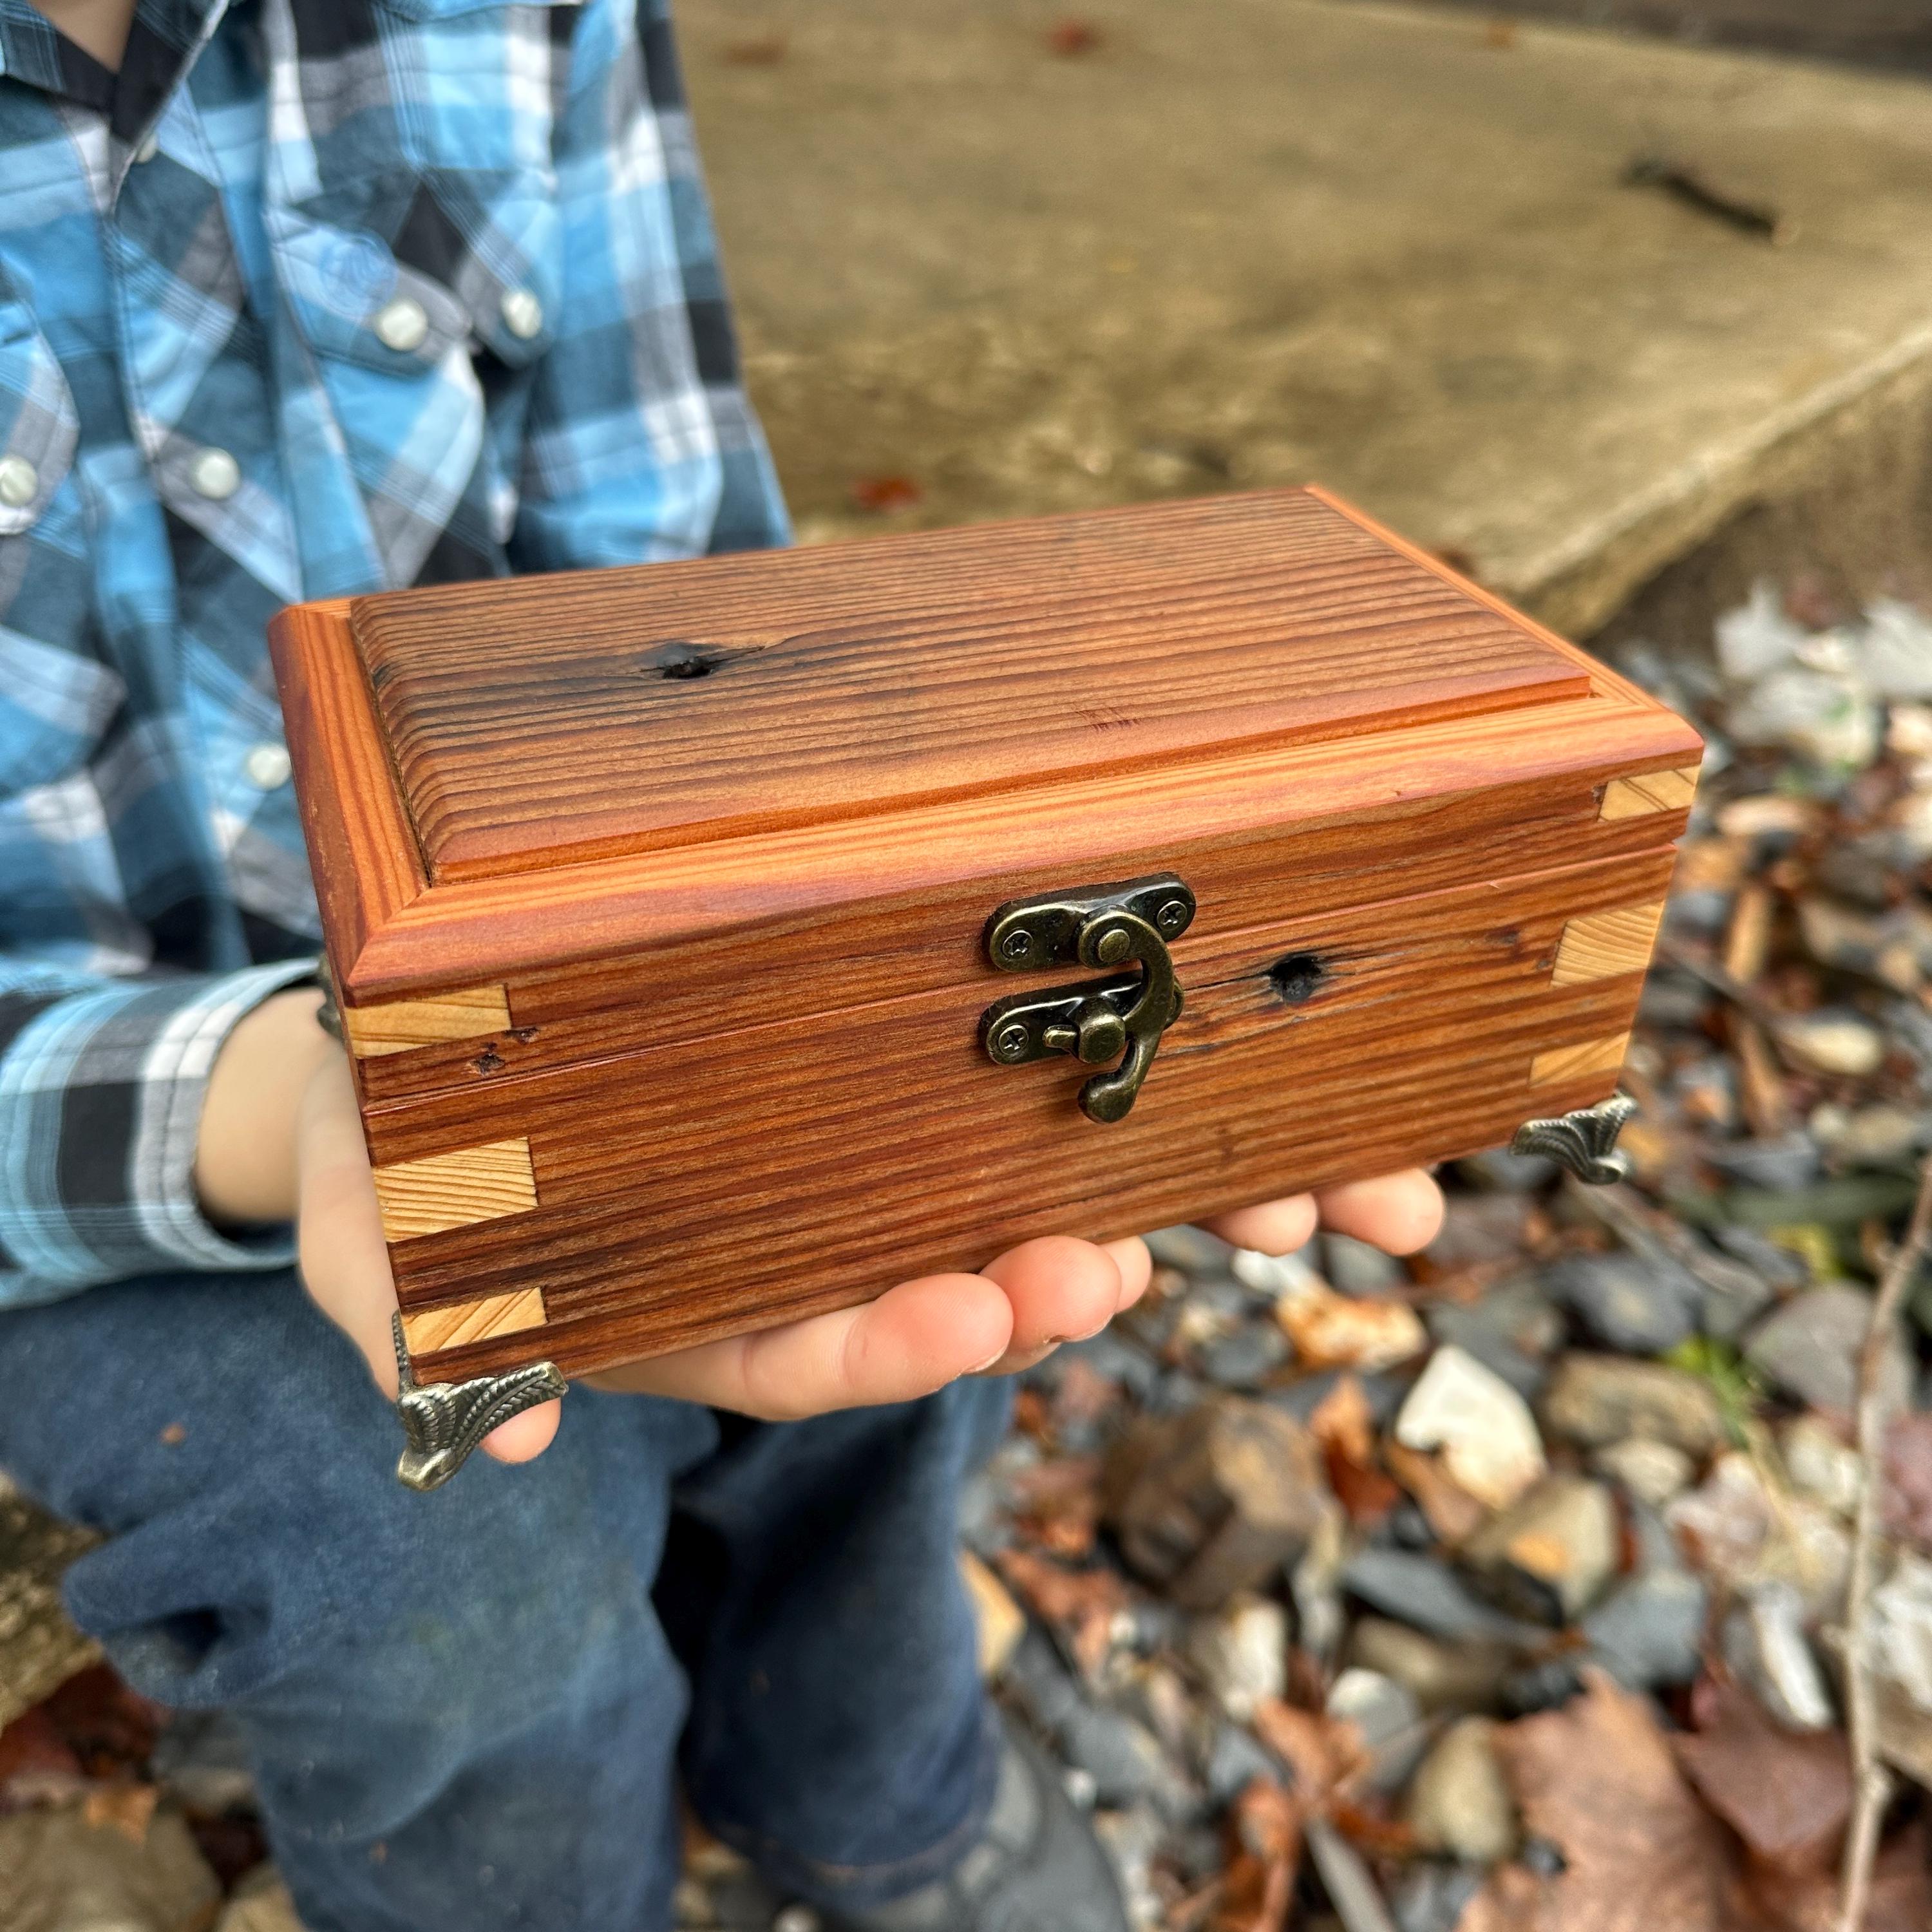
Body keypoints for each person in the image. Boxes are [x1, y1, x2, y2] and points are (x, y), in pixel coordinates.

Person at [0, 2, 1444, 1926]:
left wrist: (809, 945)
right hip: (82, 1146)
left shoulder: (518, 21)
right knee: (444, 1543)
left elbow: (683, 600)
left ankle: (871, 1787)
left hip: (555, 976)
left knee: (936, 1231)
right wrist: (301, 1096)